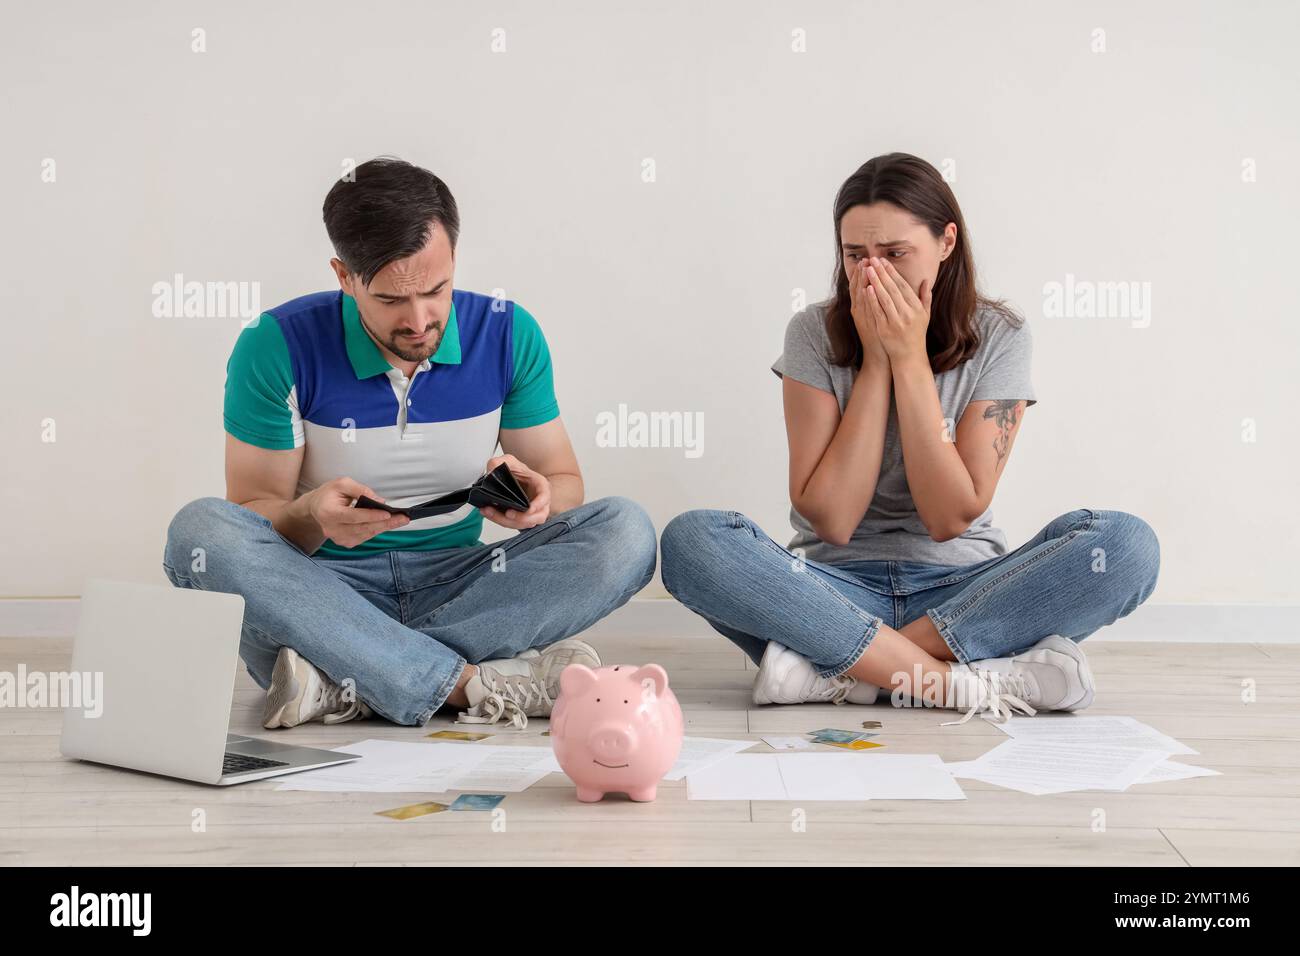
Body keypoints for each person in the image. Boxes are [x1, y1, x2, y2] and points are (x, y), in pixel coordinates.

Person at [660, 152, 1160, 725]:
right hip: (829, 593)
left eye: (896, 254)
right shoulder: (812, 333)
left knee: (1125, 545)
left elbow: (950, 515)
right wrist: (876, 363)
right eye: (856, 256)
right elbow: (832, 520)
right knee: (692, 541)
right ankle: (950, 681)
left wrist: (910, 361)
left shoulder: (1000, 335)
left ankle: (851, 672)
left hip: (968, 593)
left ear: (946, 242)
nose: (873, 275)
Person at [163, 157, 656, 730]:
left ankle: (345, 678)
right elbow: (251, 514)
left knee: (626, 532)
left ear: (454, 263)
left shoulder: (506, 333)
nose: (420, 321)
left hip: (467, 585)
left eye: (436, 290)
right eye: (392, 301)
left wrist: (542, 501)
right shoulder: (275, 345)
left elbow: (565, 482)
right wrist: (310, 517)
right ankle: (467, 684)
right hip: (323, 591)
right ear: (344, 277)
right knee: (199, 531)